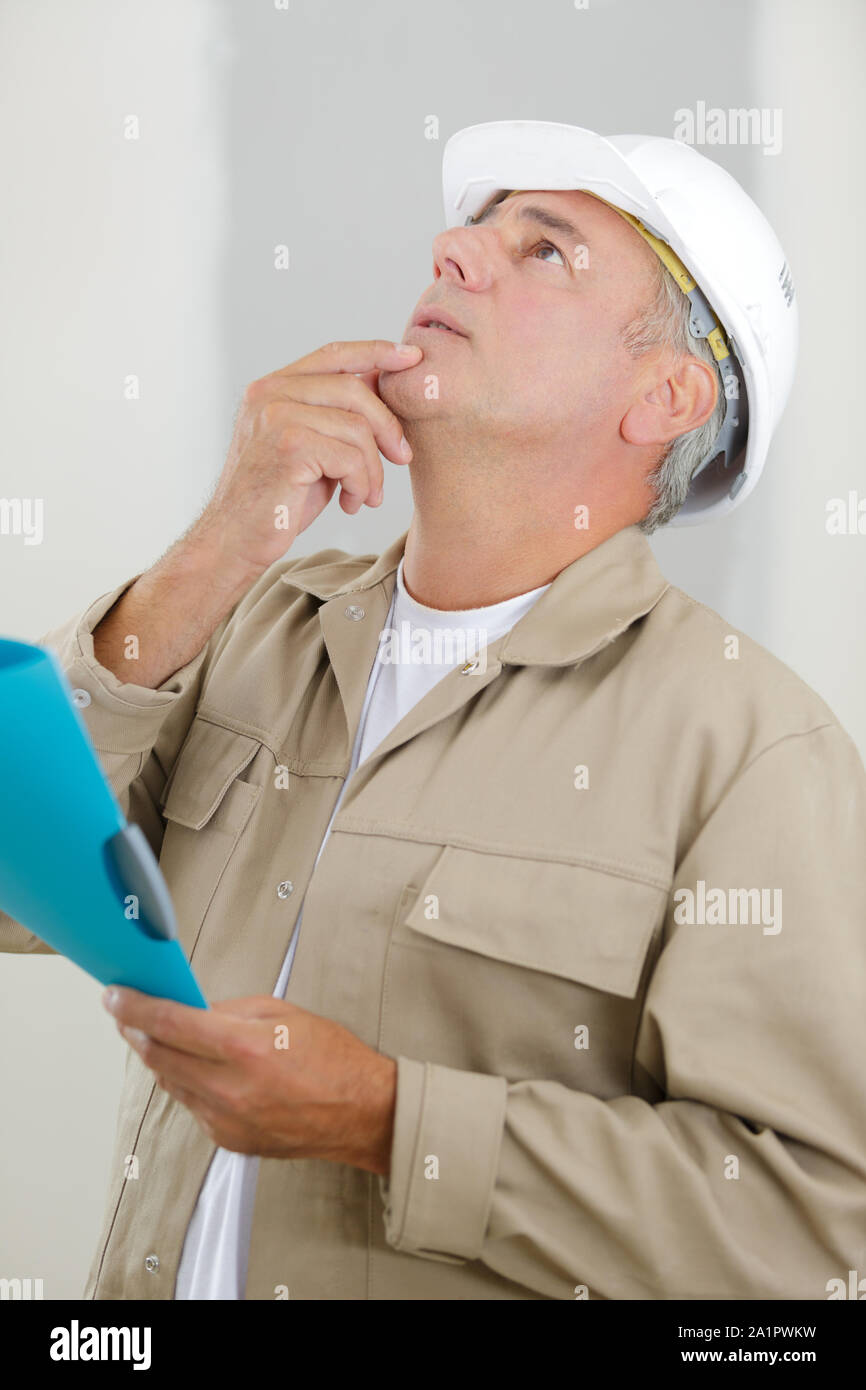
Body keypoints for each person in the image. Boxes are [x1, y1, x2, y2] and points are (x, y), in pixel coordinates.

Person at [2, 121, 864, 1301]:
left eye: (542, 250)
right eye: (472, 229)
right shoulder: (259, 626)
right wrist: (223, 539)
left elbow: (803, 1228)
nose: (454, 251)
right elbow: (12, 890)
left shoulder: (745, 746)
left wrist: (387, 1120)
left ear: (664, 394)